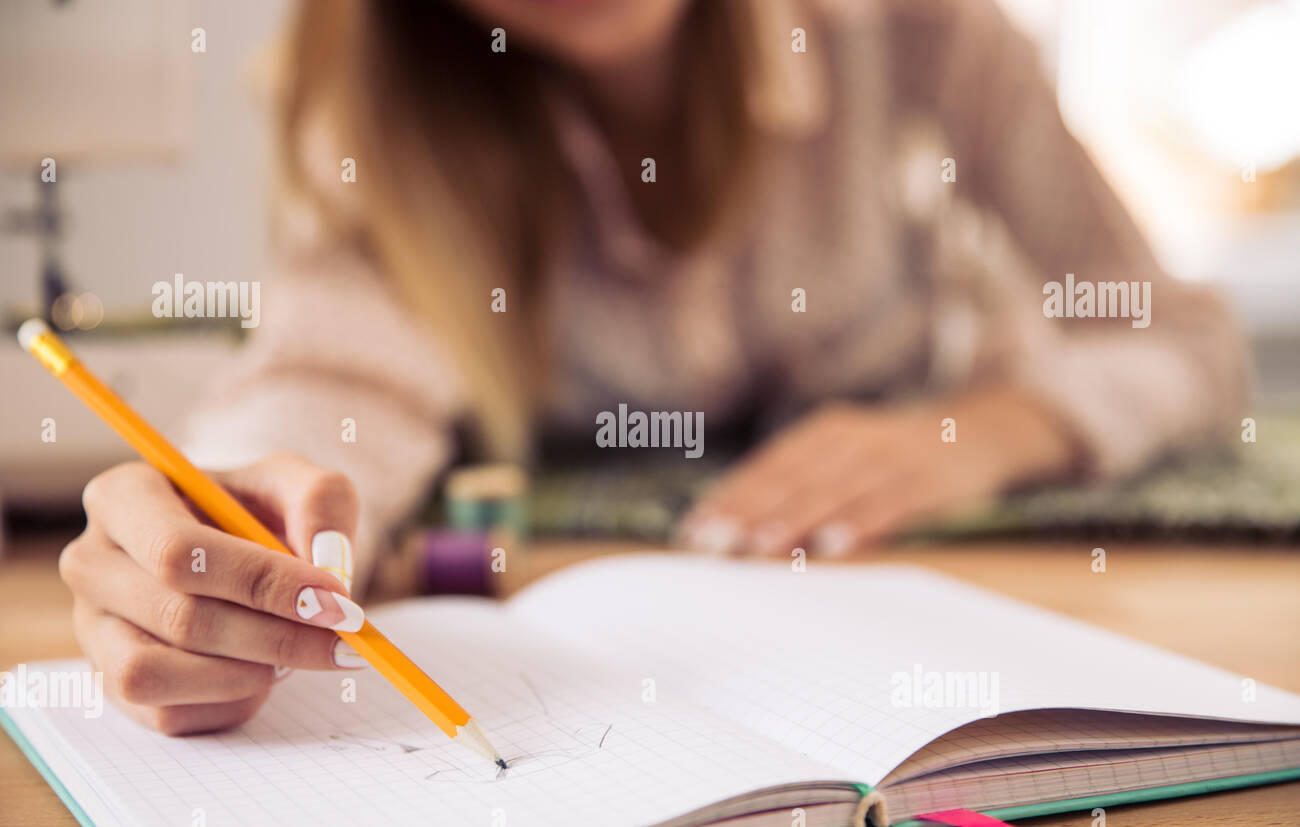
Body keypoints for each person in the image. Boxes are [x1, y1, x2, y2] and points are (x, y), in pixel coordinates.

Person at [58, 0, 1247, 734]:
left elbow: (1177, 338)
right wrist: (232, 506)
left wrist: (984, 430)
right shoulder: (379, 112)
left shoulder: (927, 33)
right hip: (575, 603)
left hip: (924, 593)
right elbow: (329, 382)